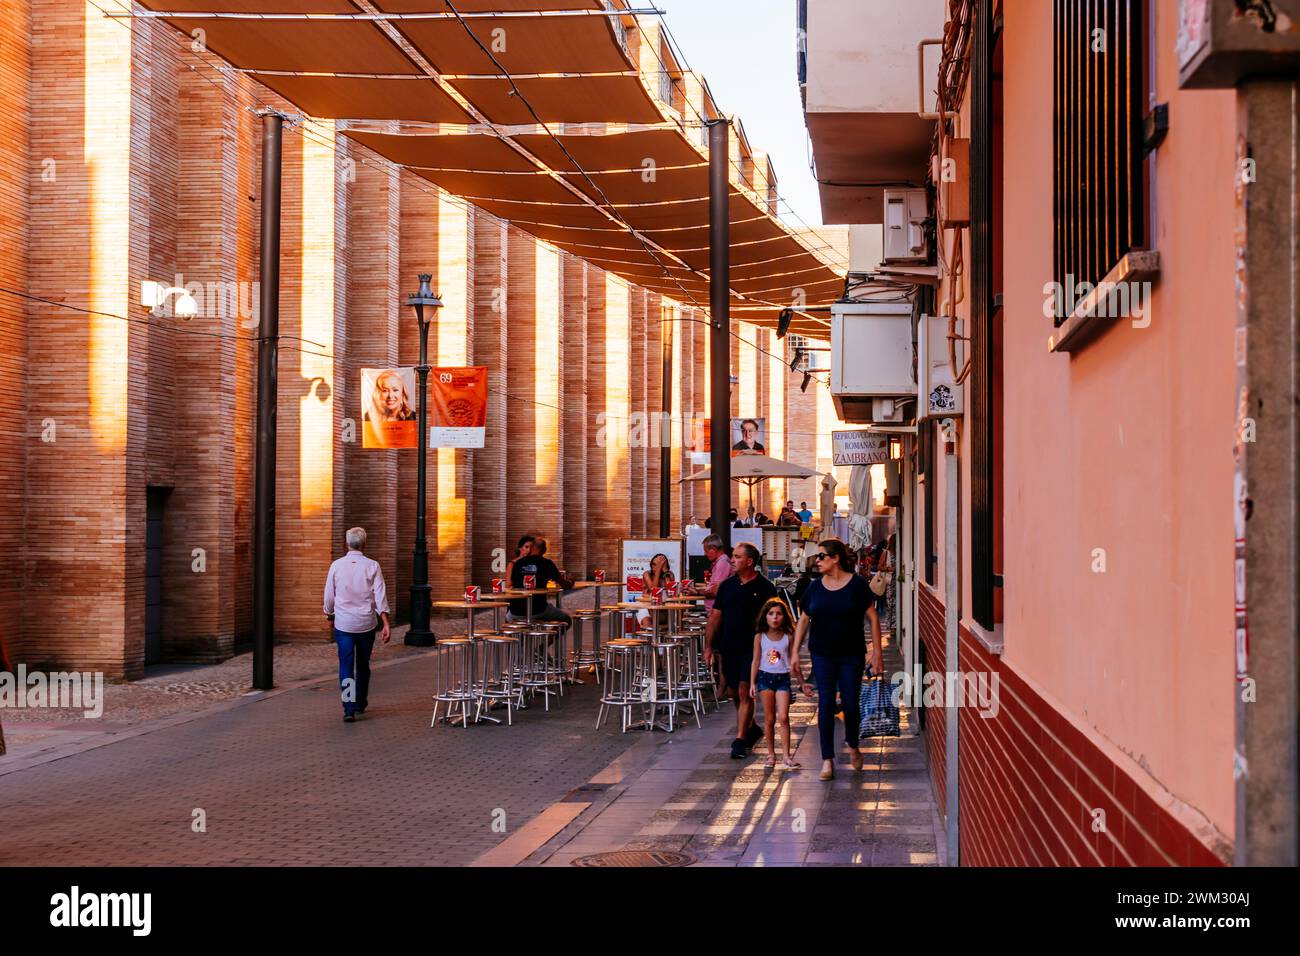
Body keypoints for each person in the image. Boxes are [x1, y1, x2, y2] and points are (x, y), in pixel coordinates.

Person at [792, 537, 882, 780]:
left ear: (835, 558)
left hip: (851, 654)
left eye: (821, 556)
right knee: (826, 705)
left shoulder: (857, 585)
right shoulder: (815, 587)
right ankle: (827, 760)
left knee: (851, 704)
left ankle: (853, 744)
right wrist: (794, 653)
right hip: (822, 654)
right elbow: (803, 620)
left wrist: (877, 653)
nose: (817, 561)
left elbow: (873, 618)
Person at [706, 542, 776, 759]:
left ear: (749, 562)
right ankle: (752, 726)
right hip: (729, 646)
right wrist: (708, 646)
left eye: (737, 557)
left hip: (754, 649)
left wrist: (775, 650)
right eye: (733, 556)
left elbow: (775, 619)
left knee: (746, 691)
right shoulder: (727, 586)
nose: (732, 560)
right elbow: (715, 616)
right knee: (734, 692)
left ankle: (739, 739)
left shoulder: (765, 588)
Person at [323, 527, 391, 723]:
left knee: (345, 665)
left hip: (343, 624)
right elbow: (380, 595)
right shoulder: (373, 566)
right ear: (364, 544)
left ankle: (348, 707)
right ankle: (360, 701)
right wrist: (385, 623)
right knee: (363, 664)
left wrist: (330, 615)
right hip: (366, 624)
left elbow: (329, 595)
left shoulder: (336, 565)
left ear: (347, 543)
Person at [749, 597, 807, 770]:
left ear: (784, 616)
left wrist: (802, 682)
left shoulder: (788, 637)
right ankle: (771, 754)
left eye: (779, 614)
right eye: (771, 613)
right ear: (765, 616)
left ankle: (787, 756)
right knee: (769, 718)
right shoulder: (760, 637)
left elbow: (793, 661)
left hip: (783, 678)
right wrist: (752, 683)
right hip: (765, 678)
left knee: (783, 718)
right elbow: (756, 660)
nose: (775, 617)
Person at [509, 535, 573, 626]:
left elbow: (512, 584)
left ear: (530, 549)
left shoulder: (518, 563)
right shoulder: (547, 564)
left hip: (516, 611)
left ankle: (514, 638)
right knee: (566, 620)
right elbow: (564, 584)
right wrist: (571, 581)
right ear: (544, 550)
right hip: (538, 609)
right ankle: (548, 640)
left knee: (508, 619)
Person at [684, 534, 732, 613]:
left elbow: (716, 591)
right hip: (715, 612)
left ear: (714, 549)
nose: (704, 554)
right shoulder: (719, 562)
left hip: (718, 614)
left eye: (706, 551)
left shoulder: (722, 563)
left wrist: (697, 592)